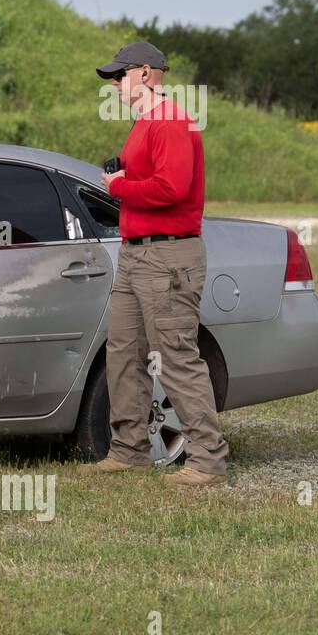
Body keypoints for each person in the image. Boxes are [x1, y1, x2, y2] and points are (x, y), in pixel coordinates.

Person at [81, 42, 228, 486]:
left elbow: (171, 188)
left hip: (167, 256)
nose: (114, 84)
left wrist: (121, 186)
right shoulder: (145, 123)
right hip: (136, 253)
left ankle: (208, 459)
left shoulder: (171, 121)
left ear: (145, 73)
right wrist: (122, 181)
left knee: (177, 356)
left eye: (119, 75)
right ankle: (130, 450)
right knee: (123, 350)